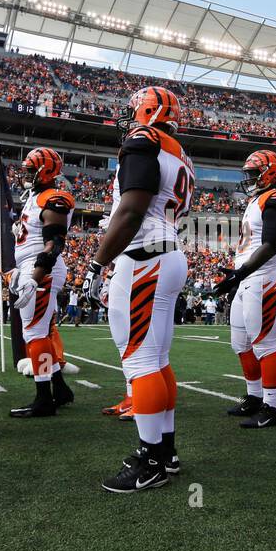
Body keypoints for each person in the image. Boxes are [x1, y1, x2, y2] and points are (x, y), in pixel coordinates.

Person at [82, 86, 193, 492]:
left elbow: (131, 210)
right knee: (157, 359)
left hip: (144, 255)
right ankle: (166, 450)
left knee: (140, 360)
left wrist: (97, 263)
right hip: (167, 252)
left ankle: (150, 461)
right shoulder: (179, 151)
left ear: (147, 111)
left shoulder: (143, 139)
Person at [218, 150, 276, 429]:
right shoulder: (256, 200)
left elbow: (271, 244)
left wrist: (241, 273)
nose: (249, 178)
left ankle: (271, 407)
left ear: (270, 172)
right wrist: (239, 276)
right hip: (250, 278)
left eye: (254, 173)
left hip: (265, 277)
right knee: (240, 343)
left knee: (264, 344)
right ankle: (253, 397)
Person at [6, 147, 77, 417]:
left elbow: (55, 244)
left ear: (44, 170)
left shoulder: (54, 198)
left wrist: (34, 278)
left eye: (30, 168)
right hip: (31, 268)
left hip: (41, 270)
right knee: (41, 334)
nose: (24, 173)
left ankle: (43, 398)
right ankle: (59, 390)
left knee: (34, 335)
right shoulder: (35, 196)